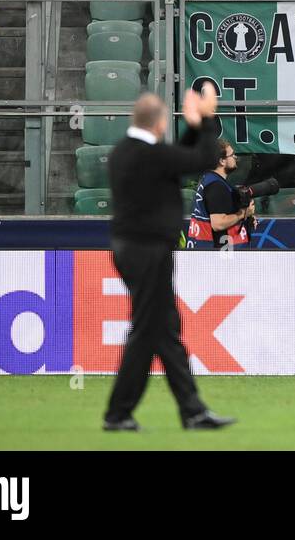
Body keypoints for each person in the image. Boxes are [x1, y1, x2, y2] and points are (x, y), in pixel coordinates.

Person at [103, 86, 235, 431]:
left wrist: (193, 129)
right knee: (149, 331)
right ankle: (118, 413)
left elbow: (179, 157)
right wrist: (204, 120)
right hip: (147, 253)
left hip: (133, 250)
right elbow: (199, 160)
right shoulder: (149, 155)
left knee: (164, 330)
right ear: (160, 124)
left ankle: (192, 411)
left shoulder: (125, 152)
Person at [185, 139, 255, 249]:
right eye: (232, 155)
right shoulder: (217, 186)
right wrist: (243, 214)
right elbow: (218, 224)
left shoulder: (207, 179)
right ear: (222, 161)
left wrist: (244, 220)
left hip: (202, 250)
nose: (235, 157)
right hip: (215, 255)